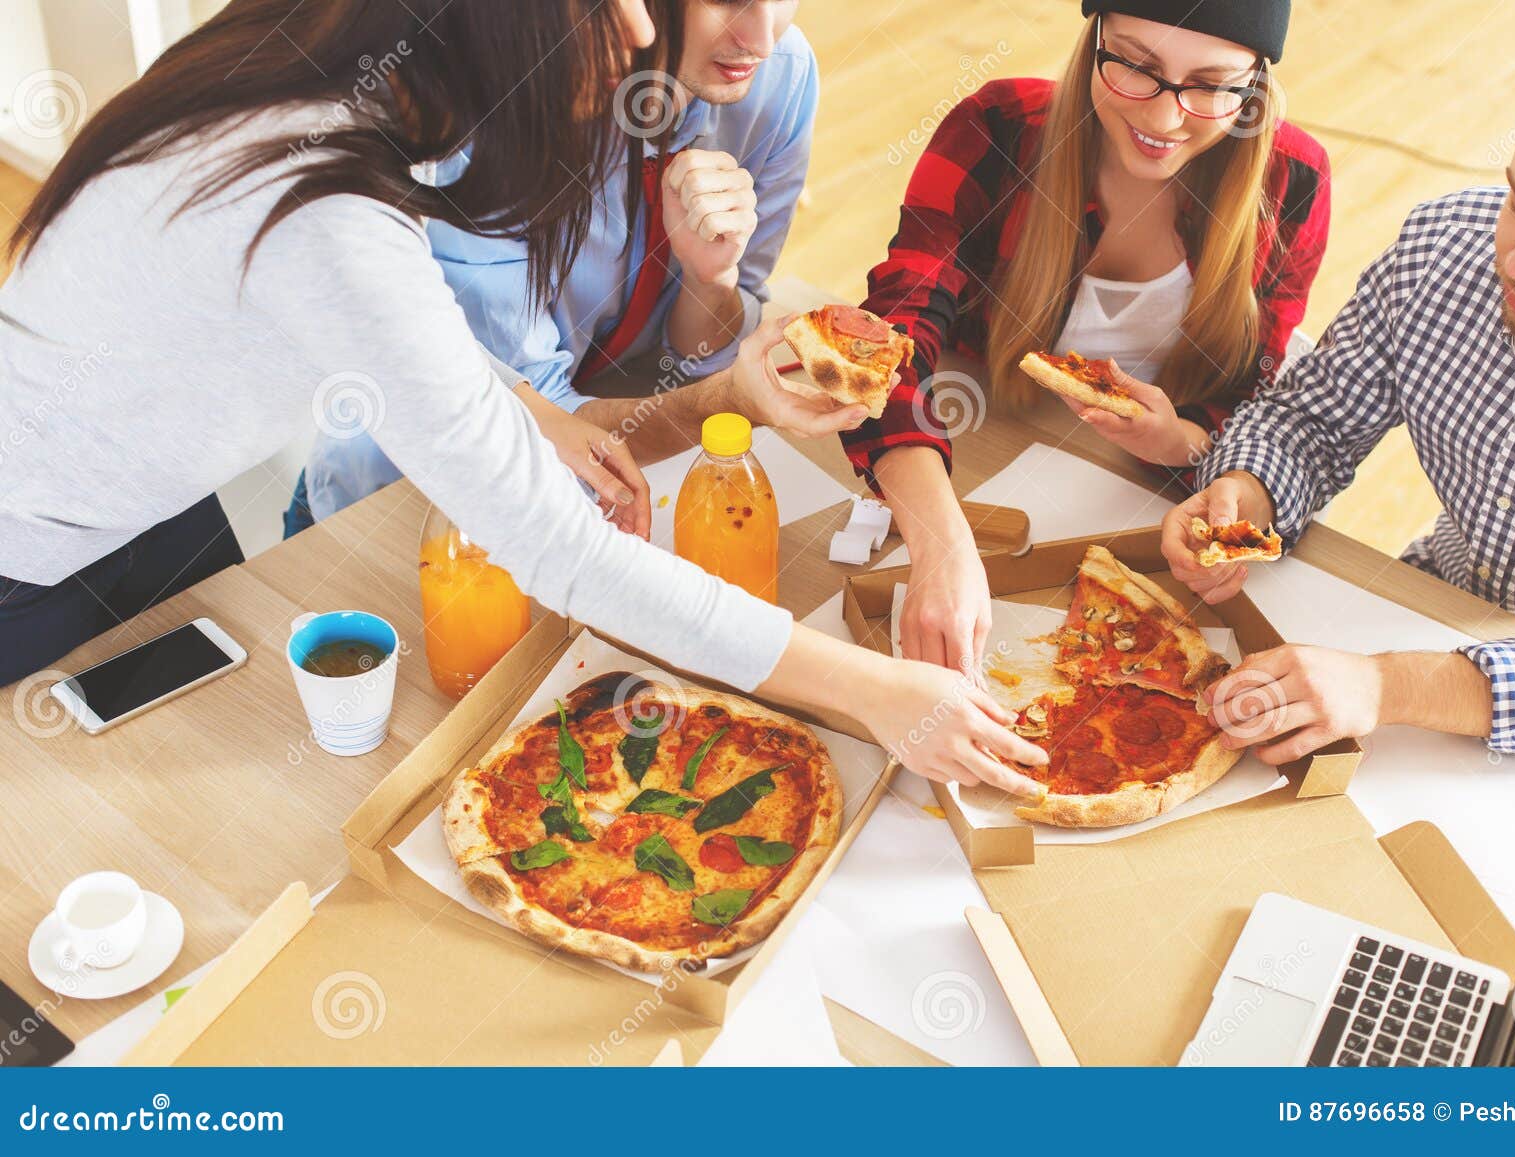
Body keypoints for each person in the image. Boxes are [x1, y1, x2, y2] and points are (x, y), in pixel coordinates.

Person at [0, 0, 1043, 796]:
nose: (636, 28)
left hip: (150, 492)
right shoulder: (322, 202)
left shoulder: (307, 80)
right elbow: (561, 552)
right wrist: (871, 689)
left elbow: (371, 318)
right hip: (27, 552)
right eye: (602, 2)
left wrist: (525, 410)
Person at [844, 0, 1329, 676]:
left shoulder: (1294, 179)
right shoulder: (999, 128)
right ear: (1095, 37)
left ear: (1255, 85)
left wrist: (1181, 443)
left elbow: (1257, 412)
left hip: (1144, 513)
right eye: (1135, 65)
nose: (1162, 119)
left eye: (1212, 85)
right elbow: (889, 337)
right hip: (974, 450)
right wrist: (940, 539)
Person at [1161, 42, 1515, 766]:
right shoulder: (1443, 251)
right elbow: (1312, 418)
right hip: (1421, 611)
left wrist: (1393, 685)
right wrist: (1247, 493)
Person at [292, 0, 845, 530]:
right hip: (403, 498)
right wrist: (726, 405)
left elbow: (702, 356)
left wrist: (711, 280)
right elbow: (537, 423)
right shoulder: (498, 113)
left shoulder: (781, 77)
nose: (762, 39)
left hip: (609, 457)